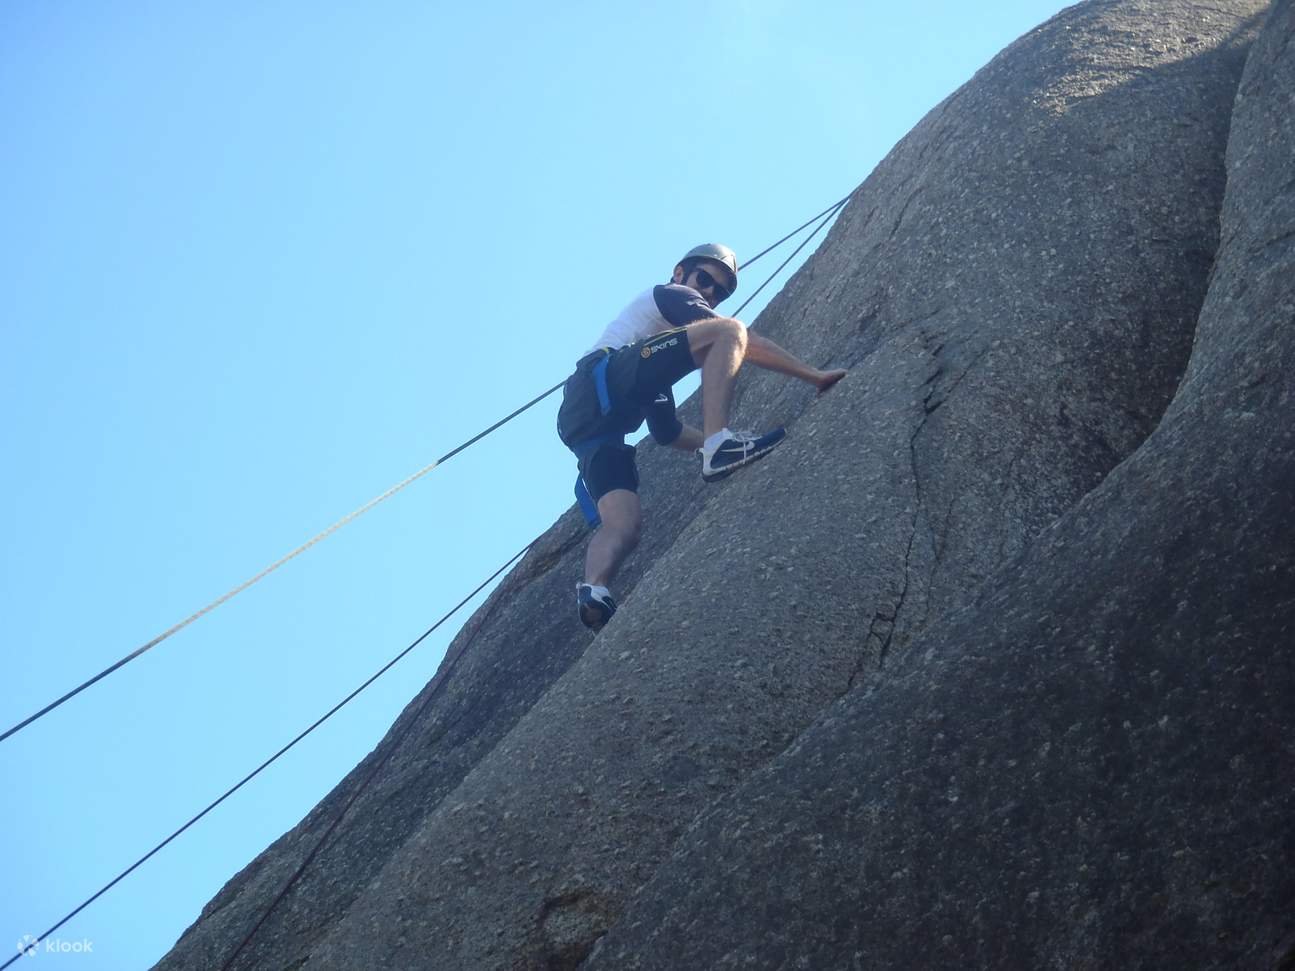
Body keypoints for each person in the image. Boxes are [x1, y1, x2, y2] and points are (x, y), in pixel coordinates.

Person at [556, 243, 847, 631]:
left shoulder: (652, 365)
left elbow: (667, 432)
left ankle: (595, 591)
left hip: (591, 423)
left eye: (720, 291)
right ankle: (719, 443)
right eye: (705, 279)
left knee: (623, 525)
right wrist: (813, 375)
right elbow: (737, 339)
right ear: (680, 273)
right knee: (731, 330)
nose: (710, 292)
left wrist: (722, 443)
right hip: (602, 378)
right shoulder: (671, 294)